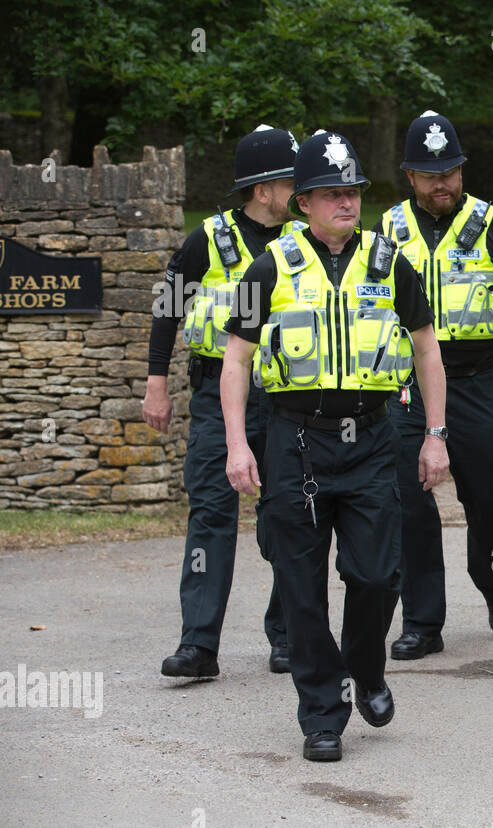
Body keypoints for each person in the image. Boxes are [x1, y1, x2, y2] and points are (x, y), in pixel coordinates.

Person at [221, 130, 451, 761]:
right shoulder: (267, 268)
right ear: (304, 203)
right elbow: (235, 361)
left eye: (352, 191)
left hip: (373, 438)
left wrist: (435, 435)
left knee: (377, 576)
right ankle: (322, 711)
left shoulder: (389, 262)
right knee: (300, 585)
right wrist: (238, 444)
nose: (346, 203)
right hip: (296, 439)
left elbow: (427, 348)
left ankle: (366, 669)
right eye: (331, 193)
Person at [377, 111, 493, 658]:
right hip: (407, 385)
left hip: (472, 382)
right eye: (430, 174)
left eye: (450, 170)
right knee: (409, 501)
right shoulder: (386, 230)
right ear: (409, 176)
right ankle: (423, 622)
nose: (443, 182)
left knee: (489, 495)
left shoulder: (490, 224)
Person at [145, 124, 304, 679]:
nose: (303, 188)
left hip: (289, 399)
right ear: (264, 189)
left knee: (289, 517)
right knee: (211, 515)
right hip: (217, 396)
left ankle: (288, 636)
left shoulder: (306, 243)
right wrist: (156, 381)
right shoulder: (206, 241)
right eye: (293, 179)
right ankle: (198, 646)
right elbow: (168, 307)